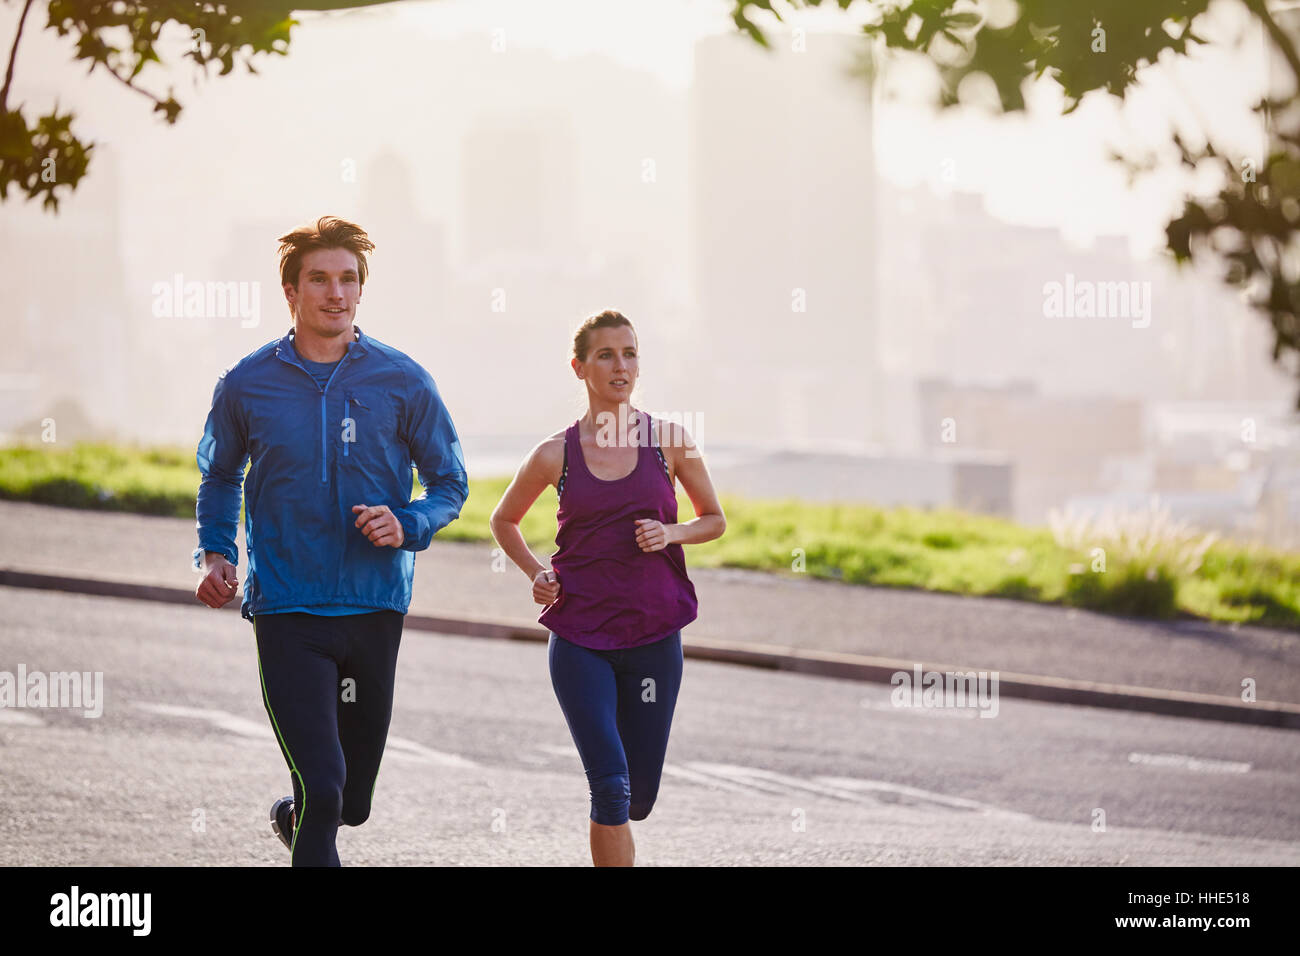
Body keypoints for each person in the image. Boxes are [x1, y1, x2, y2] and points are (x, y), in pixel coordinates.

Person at [193, 216, 468, 866]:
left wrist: (410, 523)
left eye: (348, 279)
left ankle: (300, 819)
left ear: (361, 291)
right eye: (319, 279)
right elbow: (220, 474)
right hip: (289, 611)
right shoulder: (247, 383)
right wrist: (215, 554)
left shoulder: (403, 382)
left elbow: (450, 482)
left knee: (352, 802)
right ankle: (311, 817)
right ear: (291, 291)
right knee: (323, 785)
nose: (335, 293)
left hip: (375, 607)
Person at [489, 310, 725, 867]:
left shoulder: (670, 442)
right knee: (611, 787)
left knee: (637, 796)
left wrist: (671, 531)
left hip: (653, 633)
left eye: (630, 354)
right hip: (579, 638)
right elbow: (504, 520)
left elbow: (713, 519)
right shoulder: (556, 453)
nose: (621, 366)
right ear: (580, 367)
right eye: (606, 355)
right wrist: (536, 573)